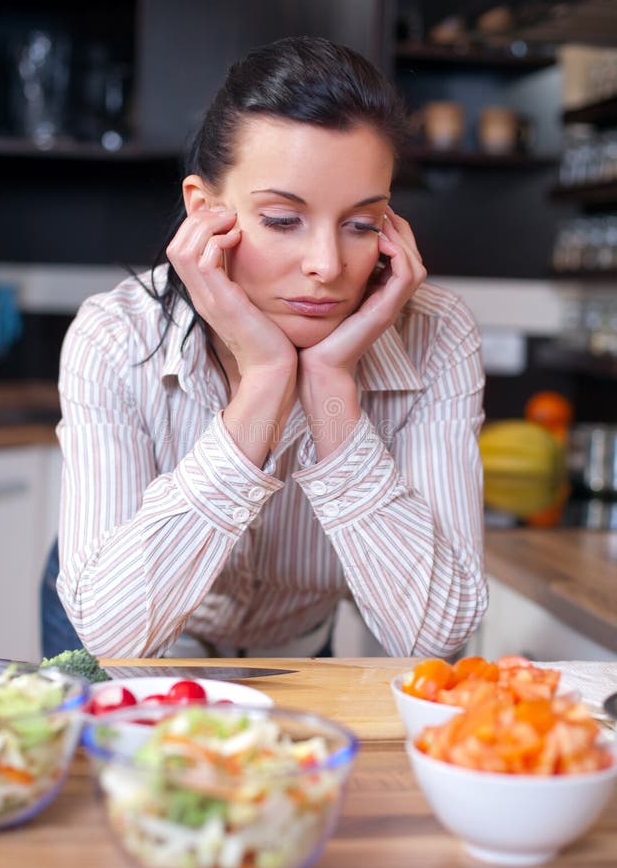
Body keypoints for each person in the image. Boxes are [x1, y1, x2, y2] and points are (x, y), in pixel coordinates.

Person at [46, 35, 487, 659]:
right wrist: (264, 382)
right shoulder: (115, 336)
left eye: (361, 225)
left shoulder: (435, 336)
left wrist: (332, 388)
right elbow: (115, 635)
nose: (327, 265)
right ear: (204, 211)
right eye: (283, 220)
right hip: (126, 619)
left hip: (295, 651)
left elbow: (434, 635)